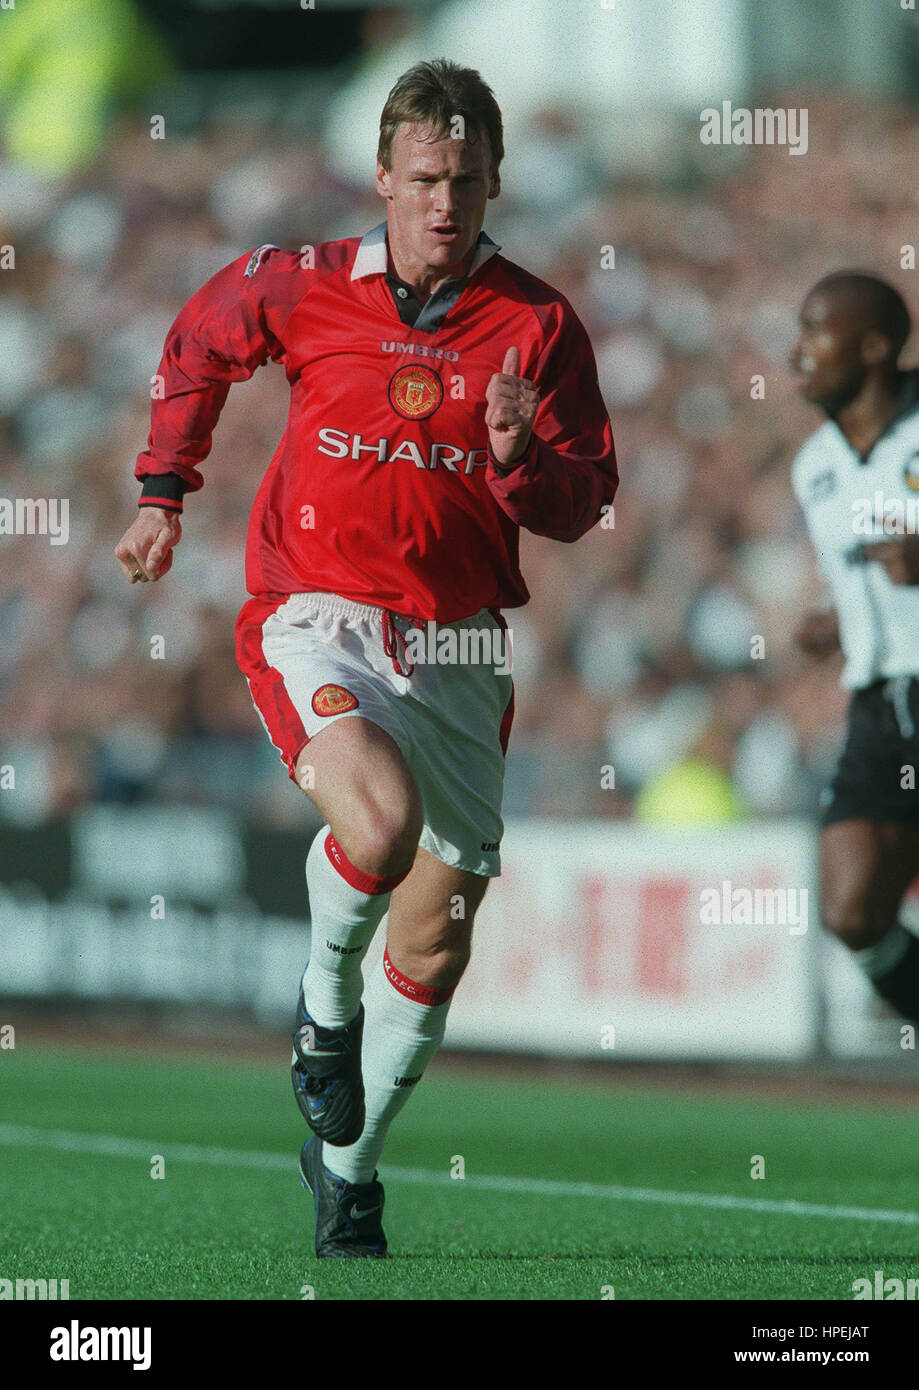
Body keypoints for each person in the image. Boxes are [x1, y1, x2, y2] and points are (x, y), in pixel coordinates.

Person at [115, 57, 617, 1258]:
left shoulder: (537, 323)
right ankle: (320, 1012)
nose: (449, 201)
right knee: (378, 829)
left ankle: (348, 1172)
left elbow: (583, 497)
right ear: (384, 176)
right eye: (428, 177)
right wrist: (162, 489)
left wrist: (513, 460)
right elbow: (197, 340)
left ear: (496, 181)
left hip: (456, 648)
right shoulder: (297, 285)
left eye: (471, 179)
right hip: (318, 615)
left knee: (437, 940)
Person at [790, 271, 919, 1025]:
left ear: (873, 347)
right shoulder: (815, 466)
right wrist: (837, 624)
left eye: (814, 331)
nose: (795, 351)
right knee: (851, 912)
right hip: (880, 706)